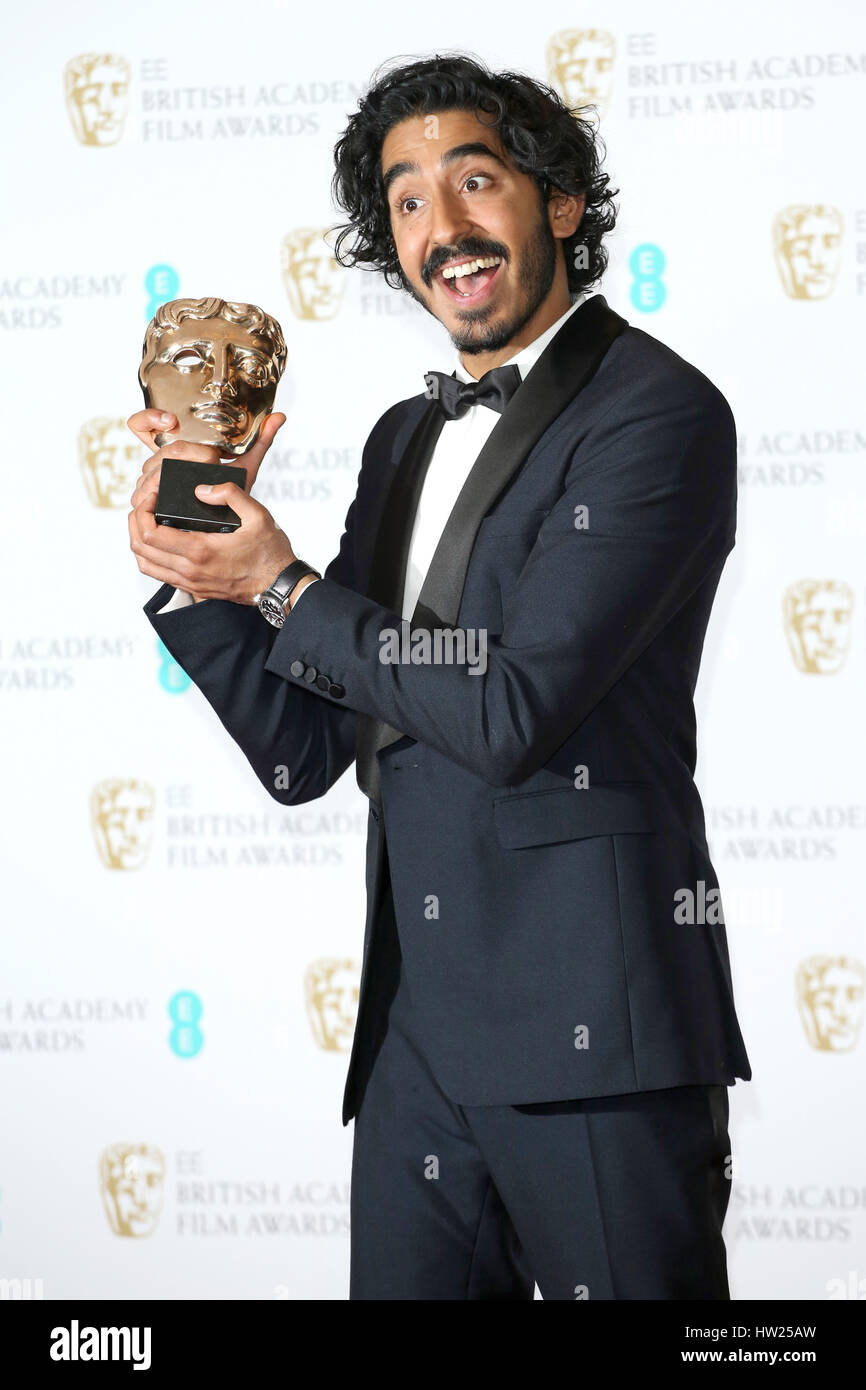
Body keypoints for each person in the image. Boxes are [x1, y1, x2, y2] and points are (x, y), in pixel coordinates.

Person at [128, 53, 751, 1300]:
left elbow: (510, 705)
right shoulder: (404, 436)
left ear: (560, 203)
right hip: (414, 1045)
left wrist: (286, 586)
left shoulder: (658, 413)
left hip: (595, 1047)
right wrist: (204, 566)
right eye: (407, 201)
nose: (443, 229)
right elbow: (313, 747)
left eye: (476, 181)